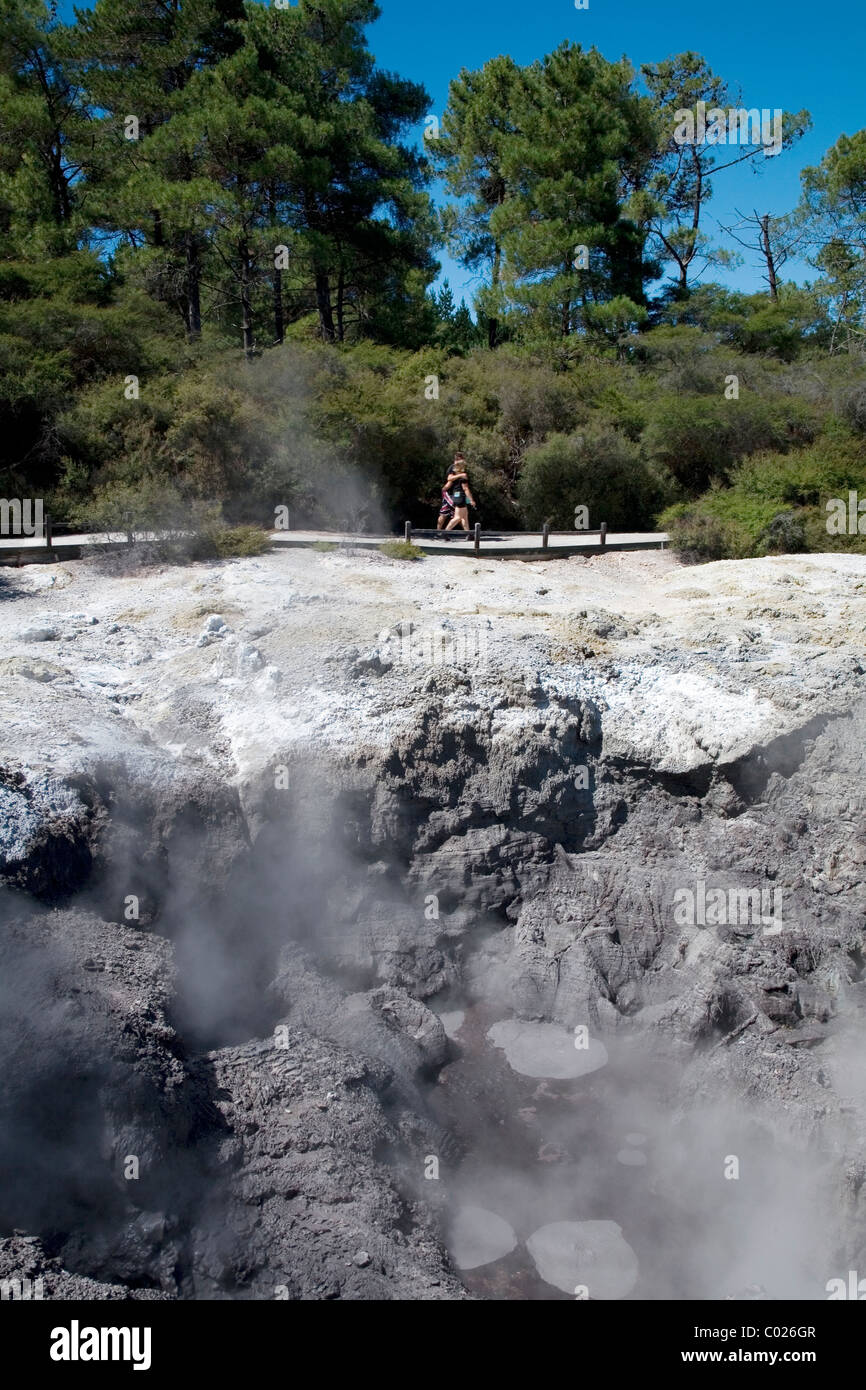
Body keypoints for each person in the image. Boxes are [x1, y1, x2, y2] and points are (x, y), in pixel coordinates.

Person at [438, 453, 476, 534]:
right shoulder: (461, 473)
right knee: (457, 517)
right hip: (458, 497)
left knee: (465, 517)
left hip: (457, 496)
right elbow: (465, 488)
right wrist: (471, 500)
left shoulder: (460, 473)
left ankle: (469, 535)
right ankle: (445, 532)